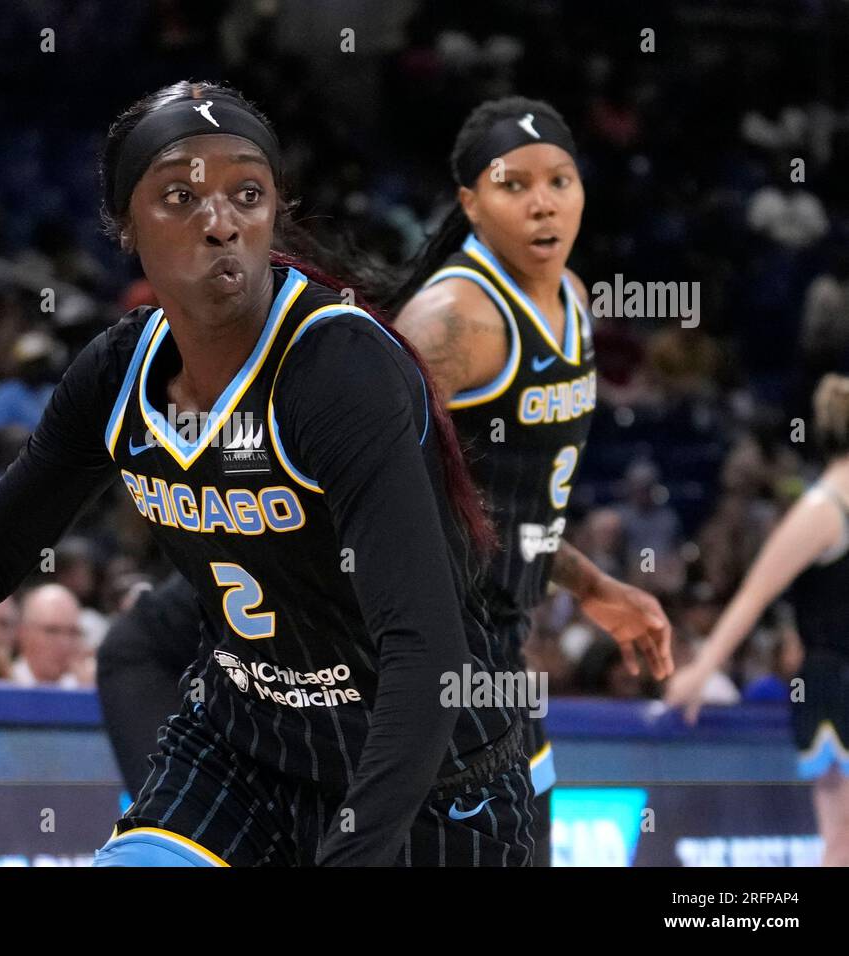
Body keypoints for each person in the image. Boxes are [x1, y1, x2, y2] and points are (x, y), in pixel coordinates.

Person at [0, 81, 532, 866]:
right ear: (126, 229)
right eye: (179, 197)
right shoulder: (117, 372)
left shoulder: (337, 371)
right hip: (240, 753)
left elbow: (425, 650)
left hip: (426, 778)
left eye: (248, 194)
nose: (221, 220)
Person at [96, 95, 675, 865]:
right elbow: (362, 477)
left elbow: (509, 507)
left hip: (490, 652)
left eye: (559, 180)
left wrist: (594, 585)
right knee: (144, 645)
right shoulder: (454, 320)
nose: (542, 203)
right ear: (470, 201)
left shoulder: (569, 299)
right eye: (513, 184)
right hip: (395, 641)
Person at [665, 373, 849, 866]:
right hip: (835, 684)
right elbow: (753, 594)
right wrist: (703, 670)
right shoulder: (821, 511)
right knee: (844, 844)